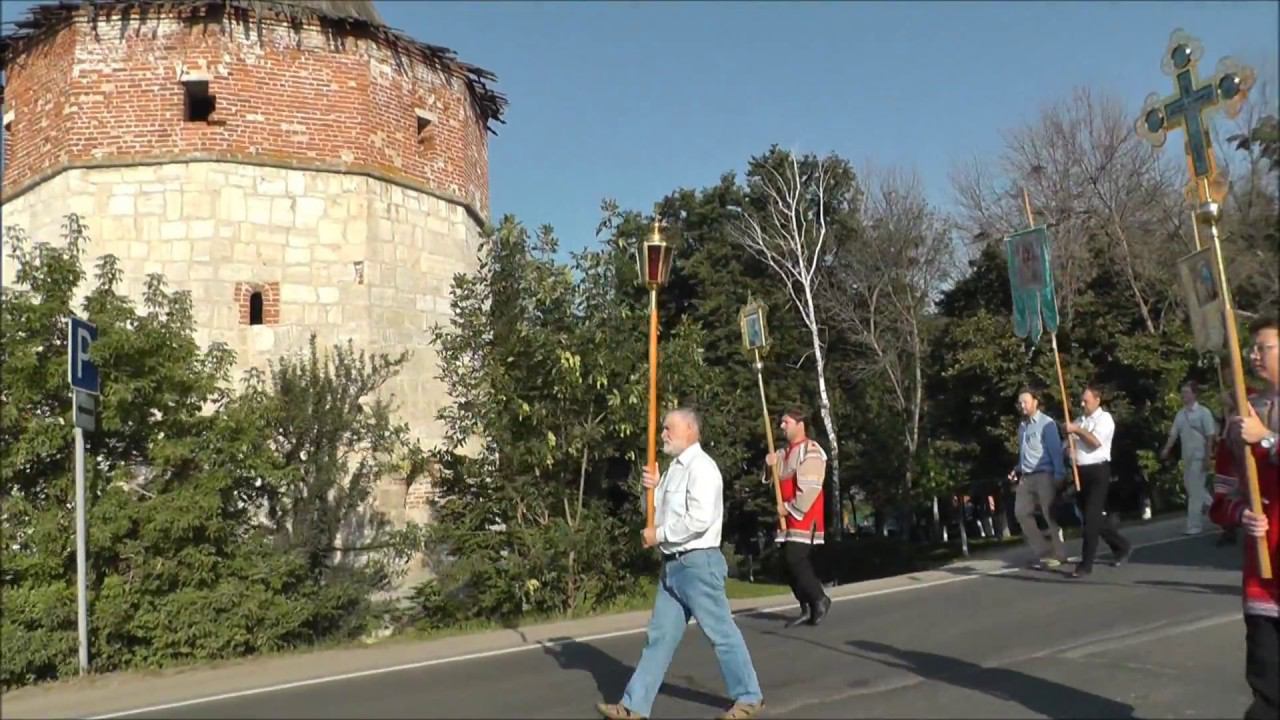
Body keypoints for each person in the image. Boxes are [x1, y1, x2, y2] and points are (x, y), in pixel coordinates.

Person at [597, 408, 765, 720]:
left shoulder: (702, 468)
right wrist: (652, 490)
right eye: (662, 429)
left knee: (721, 634)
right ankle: (634, 706)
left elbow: (699, 520)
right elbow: (659, 514)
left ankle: (749, 697)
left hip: (698, 564)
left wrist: (658, 535)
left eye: (668, 428)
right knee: (659, 638)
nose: (663, 434)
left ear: (689, 429)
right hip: (673, 566)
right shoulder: (674, 470)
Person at [1211, 315, 1279, 720]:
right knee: (1268, 691)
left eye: (1264, 347)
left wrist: (1267, 439)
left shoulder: (1256, 425)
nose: (1254, 355)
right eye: (1251, 348)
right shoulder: (1241, 417)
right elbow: (1221, 497)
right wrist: (1243, 514)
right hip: (1263, 576)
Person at [763, 406, 831, 628]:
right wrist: (769, 466)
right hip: (786, 517)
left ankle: (819, 598)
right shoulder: (783, 453)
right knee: (785, 563)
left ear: (800, 425)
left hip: (804, 515)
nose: (782, 426)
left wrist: (790, 508)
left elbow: (811, 489)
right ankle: (806, 606)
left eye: (787, 422)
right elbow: (774, 480)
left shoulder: (812, 451)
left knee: (795, 558)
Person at [1063, 384, 1132, 577]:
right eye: (1081, 400)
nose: (1082, 404)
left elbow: (1094, 442)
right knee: (1092, 519)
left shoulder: (1105, 419)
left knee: (1091, 521)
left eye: (1086, 400)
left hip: (1098, 472)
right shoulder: (1080, 420)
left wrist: (1077, 430)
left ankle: (1086, 565)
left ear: (1097, 400)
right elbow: (1069, 444)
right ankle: (1121, 546)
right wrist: (1068, 449)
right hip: (1080, 473)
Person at [1009, 388, 1069, 568]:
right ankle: (1042, 551)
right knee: (1021, 513)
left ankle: (1060, 553)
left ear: (1035, 402)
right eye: (1020, 403)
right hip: (1026, 477)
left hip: (1044, 474)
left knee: (1049, 514)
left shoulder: (1046, 423)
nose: (1022, 406)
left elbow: (1055, 451)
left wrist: (1059, 474)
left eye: (1025, 402)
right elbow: (1025, 453)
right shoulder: (1022, 426)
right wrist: (1017, 469)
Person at [1162, 381, 1217, 534]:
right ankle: (1218, 508)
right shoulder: (1180, 414)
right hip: (1187, 457)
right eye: (1182, 392)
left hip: (1200, 456)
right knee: (1193, 489)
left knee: (1194, 493)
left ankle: (1194, 525)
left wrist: (1208, 457)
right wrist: (1166, 449)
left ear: (1194, 394)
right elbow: (1173, 434)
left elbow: (1210, 436)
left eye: (1186, 392)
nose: (1183, 395)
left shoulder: (1203, 412)